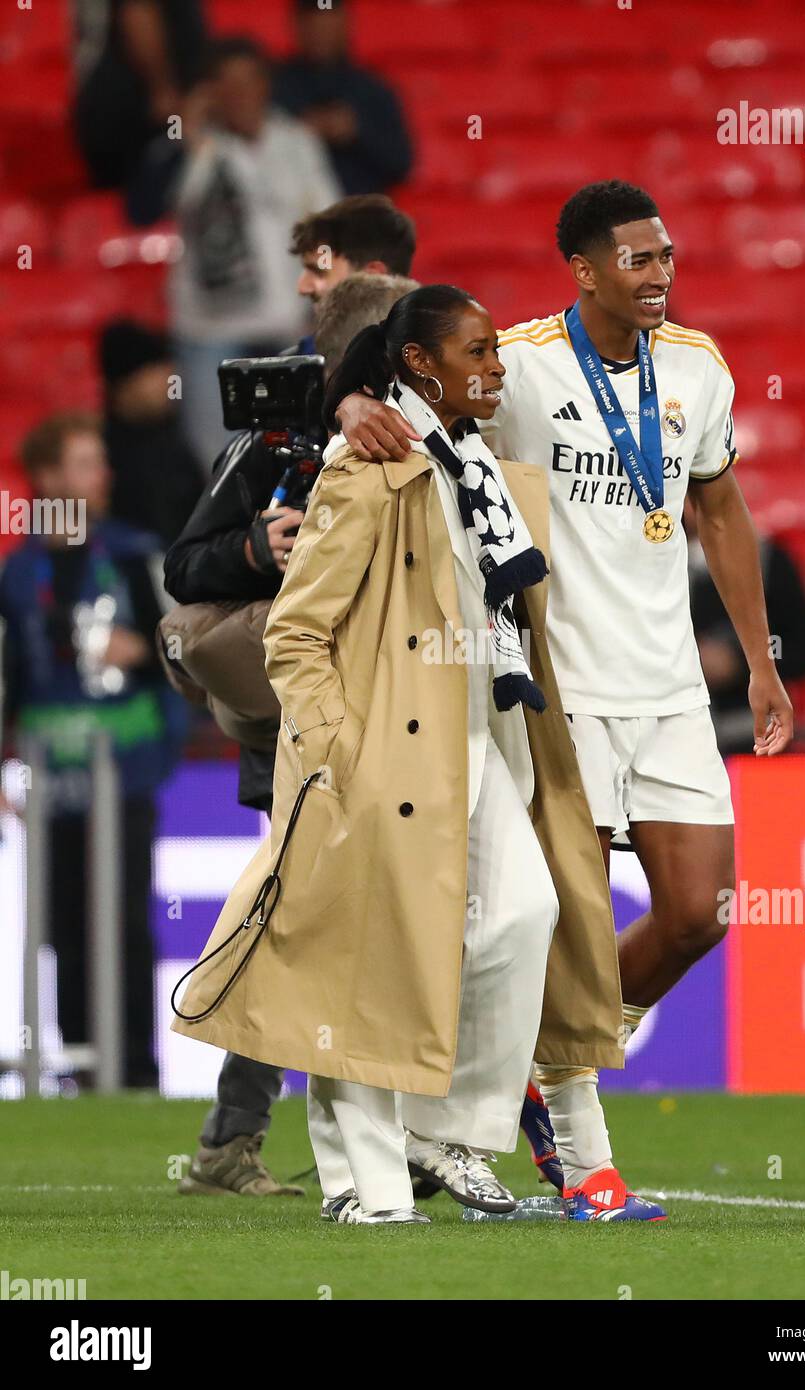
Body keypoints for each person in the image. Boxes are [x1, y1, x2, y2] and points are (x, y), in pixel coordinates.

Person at [336, 181, 794, 1217]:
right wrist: (347, 403)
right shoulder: (526, 365)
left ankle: (550, 1055)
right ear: (583, 271)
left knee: (696, 910)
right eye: (636, 259)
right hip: (556, 687)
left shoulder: (698, 367)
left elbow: (717, 508)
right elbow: (418, 391)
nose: (659, 274)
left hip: (669, 682)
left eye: (665, 256)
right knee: (570, 928)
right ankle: (583, 1154)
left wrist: (758, 659)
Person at [171, 286, 634, 1224]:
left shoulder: (477, 465)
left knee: (522, 916)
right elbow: (296, 632)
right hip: (383, 751)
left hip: (479, 740)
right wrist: (337, 746)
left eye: (497, 350)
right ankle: (362, 1190)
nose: (495, 366)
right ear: (421, 364)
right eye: (477, 351)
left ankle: (447, 1134)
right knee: (362, 970)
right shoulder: (364, 467)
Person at [166, 202, 417, 1197]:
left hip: (410, 706)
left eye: (315, 272)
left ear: (365, 276)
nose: (302, 289)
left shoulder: (451, 398)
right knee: (307, 914)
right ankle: (347, 1146)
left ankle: (253, 1139)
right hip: (309, 719)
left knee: (315, 916)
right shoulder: (286, 412)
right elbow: (189, 563)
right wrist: (252, 549)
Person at [0, 413, 187, 1088]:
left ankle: (134, 1075)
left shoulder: (135, 554)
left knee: (124, 922)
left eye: (97, 463)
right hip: (51, 776)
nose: (98, 476)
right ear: (47, 478)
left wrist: (145, 654)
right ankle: (78, 1069)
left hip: (123, 769)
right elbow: (10, 678)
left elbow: (186, 645)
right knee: (63, 930)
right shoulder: (18, 572)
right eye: (82, 464)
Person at [128, 36, 342, 463]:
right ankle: (230, 531)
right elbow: (141, 208)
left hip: (285, 320)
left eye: (248, 81)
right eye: (226, 84)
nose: (239, 93)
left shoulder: (295, 142)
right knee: (217, 458)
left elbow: (329, 228)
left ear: (266, 85)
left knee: (300, 450)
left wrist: (325, 297)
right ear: (210, 92)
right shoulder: (193, 145)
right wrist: (183, 133)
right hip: (209, 328)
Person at [685, 500, 805, 753]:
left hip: (750, 736)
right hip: (675, 733)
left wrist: (742, 661)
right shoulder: (648, 566)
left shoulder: (768, 562)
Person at [274, 0, 414, 196]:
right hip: (289, 209)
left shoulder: (374, 90)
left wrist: (356, 131)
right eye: (314, 24)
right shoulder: (273, 87)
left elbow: (402, 164)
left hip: (357, 211)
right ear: (297, 25)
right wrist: (297, 133)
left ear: (345, 24)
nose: (321, 33)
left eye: (329, 22)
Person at [74, 0, 208, 190]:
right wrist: (162, 89)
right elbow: (137, 13)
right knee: (164, 180)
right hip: (140, 107)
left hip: (163, 103)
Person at [99, 318, 205, 548]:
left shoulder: (177, 441)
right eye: (154, 373)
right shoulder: (103, 454)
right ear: (125, 385)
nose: (169, 381)